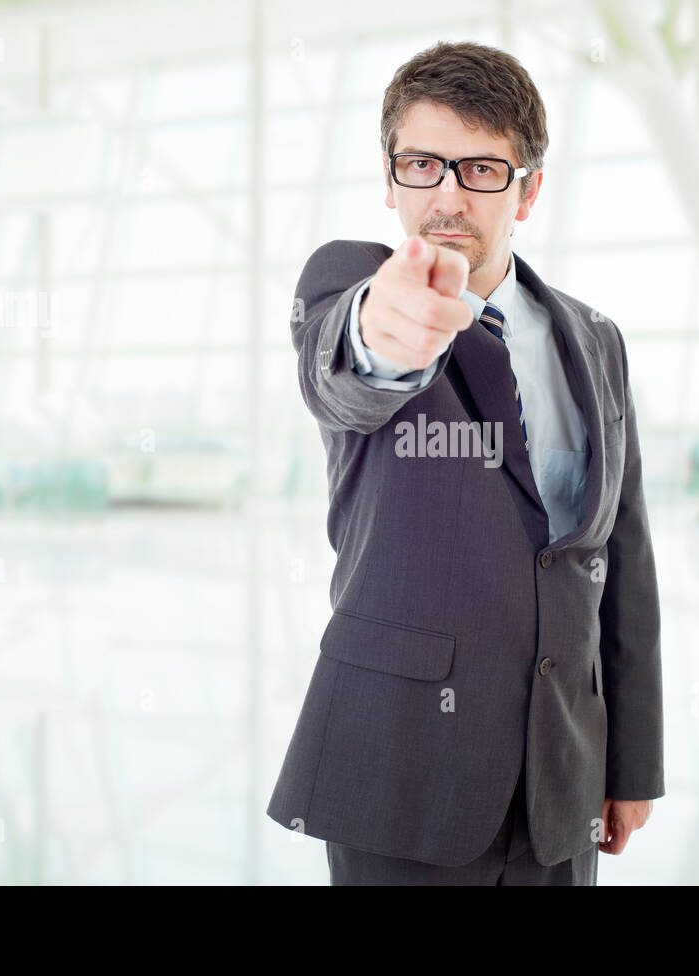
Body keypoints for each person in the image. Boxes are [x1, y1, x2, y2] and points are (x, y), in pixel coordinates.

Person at [267, 40, 663, 885]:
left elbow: (618, 556)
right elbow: (346, 372)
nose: (447, 195)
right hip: (403, 773)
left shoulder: (595, 339)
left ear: (529, 190)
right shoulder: (351, 285)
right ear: (390, 180)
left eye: (481, 169)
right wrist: (388, 334)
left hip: (562, 780)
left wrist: (632, 764)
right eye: (422, 164)